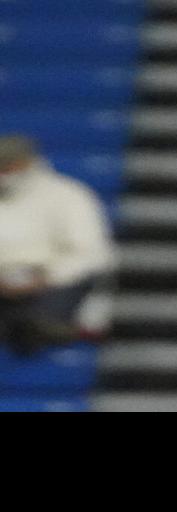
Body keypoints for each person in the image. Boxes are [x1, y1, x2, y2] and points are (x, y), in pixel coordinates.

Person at [0, 135, 116, 356]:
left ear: (27, 162)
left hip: (51, 286)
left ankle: (41, 328)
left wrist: (46, 276)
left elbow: (92, 254)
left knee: (49, 309)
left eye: (8, 165)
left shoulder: (69, 195)